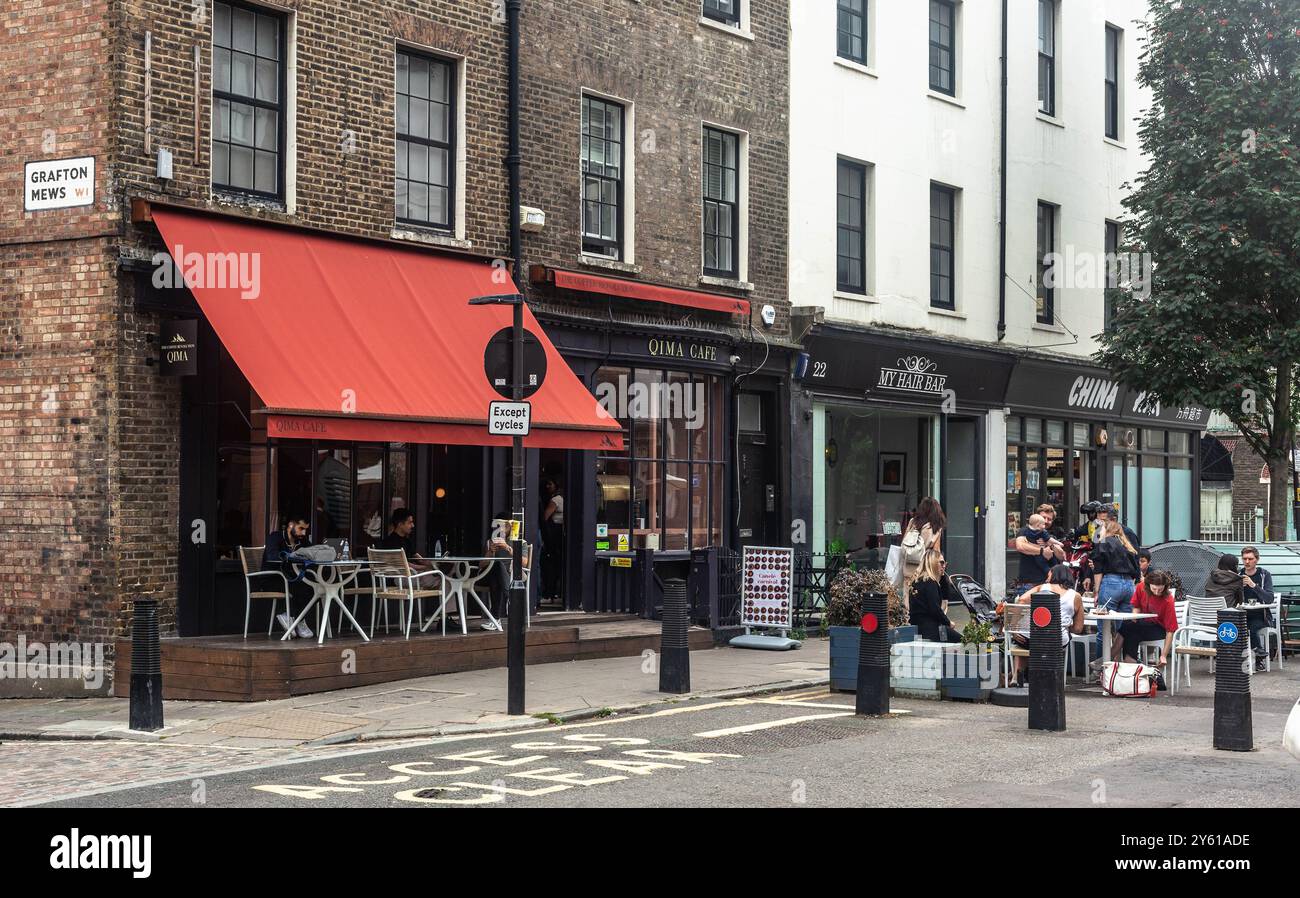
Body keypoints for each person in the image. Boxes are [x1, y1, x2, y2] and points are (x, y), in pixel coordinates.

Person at [1010, 563, 1085, 685]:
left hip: (1032, 638)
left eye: (1049, 574)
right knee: (1053, 641)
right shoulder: (1076, 596)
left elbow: (1022, 600)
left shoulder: (1043, 587)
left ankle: (1016, 676)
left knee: (1023, 641)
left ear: (1054, 574)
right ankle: (1050, 680)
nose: (1047, 576)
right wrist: (1062, 625)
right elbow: (1078, 628)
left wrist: (1014, 628)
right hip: (1057, 641)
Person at [1089, 519, 1140, 667]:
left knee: (1102, 628)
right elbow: (1137, 572)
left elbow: (1098, 570)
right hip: (1129, 585)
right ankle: (1120, 667)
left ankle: (1101, 668)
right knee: (1123, 628)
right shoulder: (1127, 545)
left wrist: (1096, 590)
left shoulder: (1103, 543)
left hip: (1111, 582)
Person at [262, 514, 315, 639]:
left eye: (306, 529)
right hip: (272, 578)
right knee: (302, 588)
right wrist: (291, 556)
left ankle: (297, 619)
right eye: (301, 528)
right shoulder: (275, 537)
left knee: (314, 588)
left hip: (291, 578)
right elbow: (271, 556)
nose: (304, 532)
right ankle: (292, 617)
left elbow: (312, 552)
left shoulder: (301, 540)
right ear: (291, 525)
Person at [483, 512, 534, 631]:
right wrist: (490, 552)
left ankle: (495, 619)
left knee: (498, 572)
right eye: (498, 526)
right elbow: (482, 565)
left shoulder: (520, 542)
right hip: (490, 576)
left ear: (510, 526)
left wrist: (507, 548)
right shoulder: (491, 542)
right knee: (497, 566)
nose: (500, 529)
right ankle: (510, 596)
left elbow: (524, 563)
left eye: (503, 525)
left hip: (513, 575)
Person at [1120, 569, 1178, 670]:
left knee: (1129, 628)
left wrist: (1163, 655)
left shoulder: (1168, 600)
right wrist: (1134, 620)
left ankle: (1115, 658)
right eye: (1154, 589)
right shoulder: (1141, 587)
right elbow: (1136, 606)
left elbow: (1170, 630)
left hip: (1159, 629)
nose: (1157, 592)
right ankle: (1130, 664)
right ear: (1148, 585)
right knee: (1130, 628)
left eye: (1160, 589)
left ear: (1165, 587)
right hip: (1143, 624)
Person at [908, 549, 961, 643]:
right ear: (932, 562)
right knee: (965, 641)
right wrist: (948, 622)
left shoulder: (916, 582)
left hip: (918, 629)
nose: (944, 566)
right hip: (932, 630)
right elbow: (935, 609)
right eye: (941, 562)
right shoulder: (930, 583)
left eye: (945, 563)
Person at [1238, 548, 1276, 670]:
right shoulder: (1238, 575)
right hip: (1243, 613)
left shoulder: (1264, 575)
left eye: (1250, 559)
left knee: (1251, 628)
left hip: (1261, 615)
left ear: (1257, 560)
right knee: (1236, 627)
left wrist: (1253, 585)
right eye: (1244, 559)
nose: (1247, 561)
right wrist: (1238, 587)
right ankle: (1248, 656)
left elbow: (1269, 598)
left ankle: (1258, 659)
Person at [901, 497, 946, 594]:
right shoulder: (936, 527)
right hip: (925, 569)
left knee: (908, 598)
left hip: (909, 566)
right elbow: (936, 551)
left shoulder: (913, 522)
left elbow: (904, 542)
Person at [1014, 513, 1063, 590]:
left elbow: (1061, 556)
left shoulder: (1048, 534)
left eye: (1049, 519)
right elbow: (1020, 546)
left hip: (1049, 582)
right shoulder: (1025, 530)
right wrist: (1042, 550)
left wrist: (1050, 546)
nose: (1046, 521)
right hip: (1030, 581)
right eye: (1044, 518)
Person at [540, 478, 565, 603]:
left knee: (551, 563)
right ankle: (554, 591)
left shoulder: (555, 500)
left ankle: (550, 591)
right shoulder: (561, 499)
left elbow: (545, 517)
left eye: (550, 483)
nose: (547, 486)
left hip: (554, 534)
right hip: (559, 534)